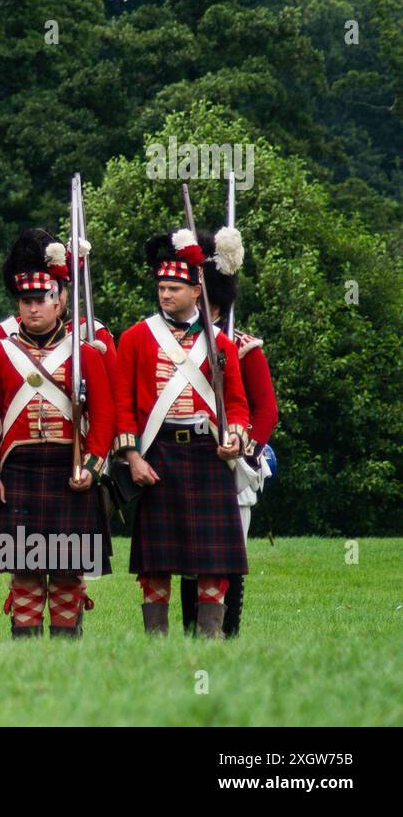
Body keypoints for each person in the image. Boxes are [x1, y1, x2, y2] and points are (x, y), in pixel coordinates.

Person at [0, 230, 115, 637]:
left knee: (68, 573)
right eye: (26, 302)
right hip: (19, 470)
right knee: (25, 571)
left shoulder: (84, 352)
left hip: (70, 472)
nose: (33, 309)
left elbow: (103, 416)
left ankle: (66, 653)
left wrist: (91, 465)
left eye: (41, 301)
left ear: (58, 301)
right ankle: (27, 652)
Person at [113, 230, 250, 638]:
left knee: (211, 562)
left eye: (174, 288)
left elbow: (238, 404)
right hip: (158, 453)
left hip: (208, 454)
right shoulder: (136, 338)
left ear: (196, 290)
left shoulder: (219, 342)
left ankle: (207, 642)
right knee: (156, 565)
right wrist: (133, 457)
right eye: (161, 287)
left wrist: (235, 440)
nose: (165, 295)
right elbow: (123, 405)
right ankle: (157, 644)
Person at [181, 227, 278, 637]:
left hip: (232, 465)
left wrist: (241, 447)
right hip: (189, 460)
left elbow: (266, 410)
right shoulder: (175, 350)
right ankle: (191, 631)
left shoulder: (241, 348)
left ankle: (228, 630)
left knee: (229, 555)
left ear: (217, 308)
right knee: (188, 554)